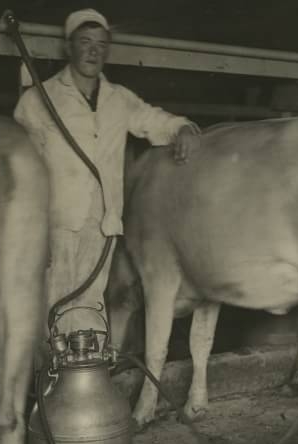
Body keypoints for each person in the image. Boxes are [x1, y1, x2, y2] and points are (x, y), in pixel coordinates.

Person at [13, 8, 201, 338]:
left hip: (102, 223)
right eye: (85, 42)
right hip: (56, 222)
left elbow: (155, 120)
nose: (93, 51)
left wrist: (183, 128)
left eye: (101, 44)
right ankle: (50, 385)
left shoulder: (120, 99)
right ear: (68, 47)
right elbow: (23, 169)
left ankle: (88, 384)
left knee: (91, 303)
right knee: (51, 305)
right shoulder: (39, 99)